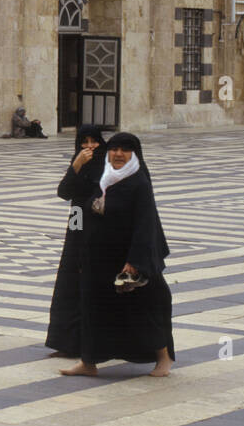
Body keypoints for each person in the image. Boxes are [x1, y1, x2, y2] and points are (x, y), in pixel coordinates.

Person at [60, 131, 175, 379]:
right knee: (93, 308)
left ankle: (164, 358)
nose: (118, 154)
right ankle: (88, 361)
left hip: (130, 259)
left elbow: (145, 225)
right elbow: (68, 194)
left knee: (146, 308)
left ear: (135, 154)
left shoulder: (139, 183)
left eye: (125, 149)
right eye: (114, 149)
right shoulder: (103, 177)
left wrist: (135, 261)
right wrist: (76, 165)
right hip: (99, 256)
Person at [44, 123, 105, 357]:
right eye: (84, 142)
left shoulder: (107, 165)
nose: (89, 146)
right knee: (70, 280)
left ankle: (94, 343)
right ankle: (66, 342)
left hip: (99, 226)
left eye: (94, 141)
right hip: (78, 220)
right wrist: (76, 165)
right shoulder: (78, 161)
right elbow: (64, 192)